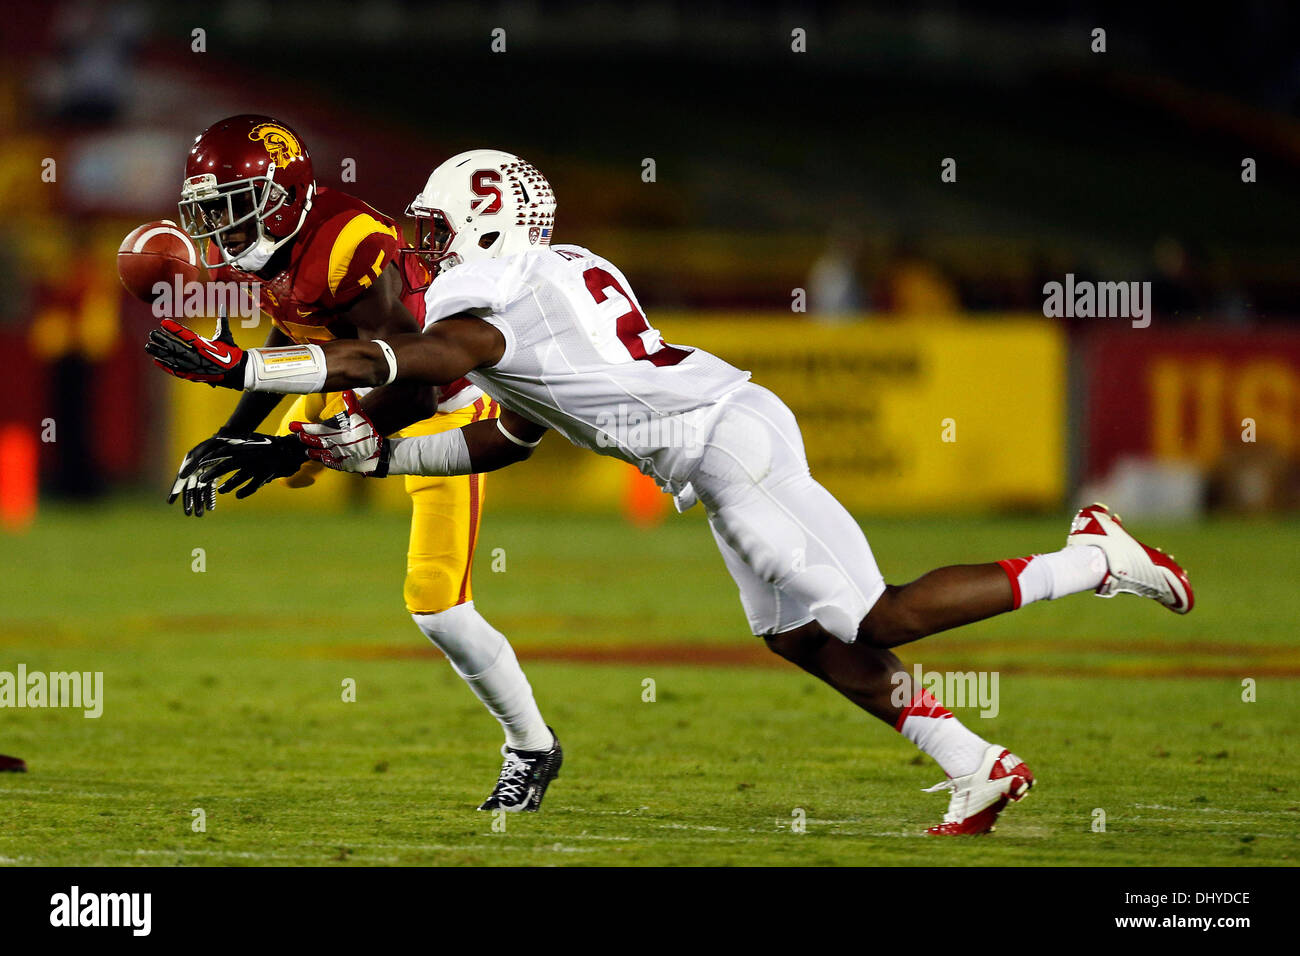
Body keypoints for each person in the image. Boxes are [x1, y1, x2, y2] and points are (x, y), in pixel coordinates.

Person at [148, 150, 1194, 834]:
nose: (420, 247)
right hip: (718, 441)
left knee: (874, 614)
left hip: (727, 448)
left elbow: (394, 360)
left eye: (435, 229)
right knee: (797, 636)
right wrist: (366, 460)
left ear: (488, 228)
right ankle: (974, 757)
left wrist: (244, 376)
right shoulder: (547, 283)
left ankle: (1094, 554)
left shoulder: (489, 312)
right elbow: (507, 438)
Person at [164, 118, 560, 811]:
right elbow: (297, 329)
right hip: (355, 379)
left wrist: (301, 442)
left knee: (436, 604)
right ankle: (296, 455)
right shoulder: (273, 249)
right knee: (281, 466)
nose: (220, 226)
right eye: (211, 208)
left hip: (444, 399)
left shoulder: (350, 243)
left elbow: (410, 381)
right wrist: (230, 435)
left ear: (280, 196)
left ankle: (531, 747)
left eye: (232, 204)